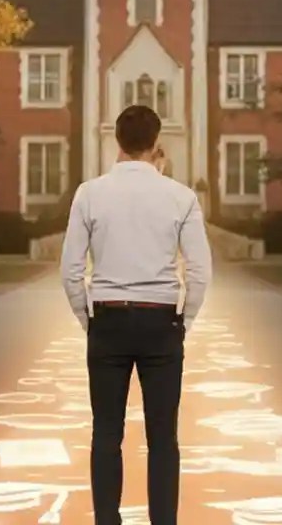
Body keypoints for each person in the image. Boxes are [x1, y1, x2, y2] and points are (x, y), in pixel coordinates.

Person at [59, 105, 213, 525]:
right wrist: (187, 320)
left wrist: (87, 319)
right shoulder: (180, 197)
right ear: (156, 144)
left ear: (118, 142)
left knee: (106, 433)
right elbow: (200, 270)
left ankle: (107, 521)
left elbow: (71, 269)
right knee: (163, 438)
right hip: (161, 321)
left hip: (108, 319)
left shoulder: (90, 193)